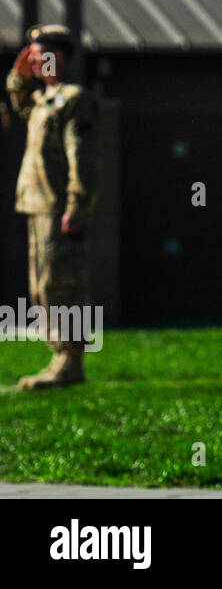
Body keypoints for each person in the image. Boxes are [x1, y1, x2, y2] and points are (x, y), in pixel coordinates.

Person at [6, 24, 98, 390]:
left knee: (62, 283)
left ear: (58, 56)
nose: (34, 60)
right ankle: (59, 355)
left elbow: (83, 158)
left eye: (40, 54)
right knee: (42, 287)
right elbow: (22, 106)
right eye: (30, 55)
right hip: (36, 204)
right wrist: (18, 77)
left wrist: (76, 205)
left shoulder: (73, 98)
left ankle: (70, 360)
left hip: (59, 206)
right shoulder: (46, 99)